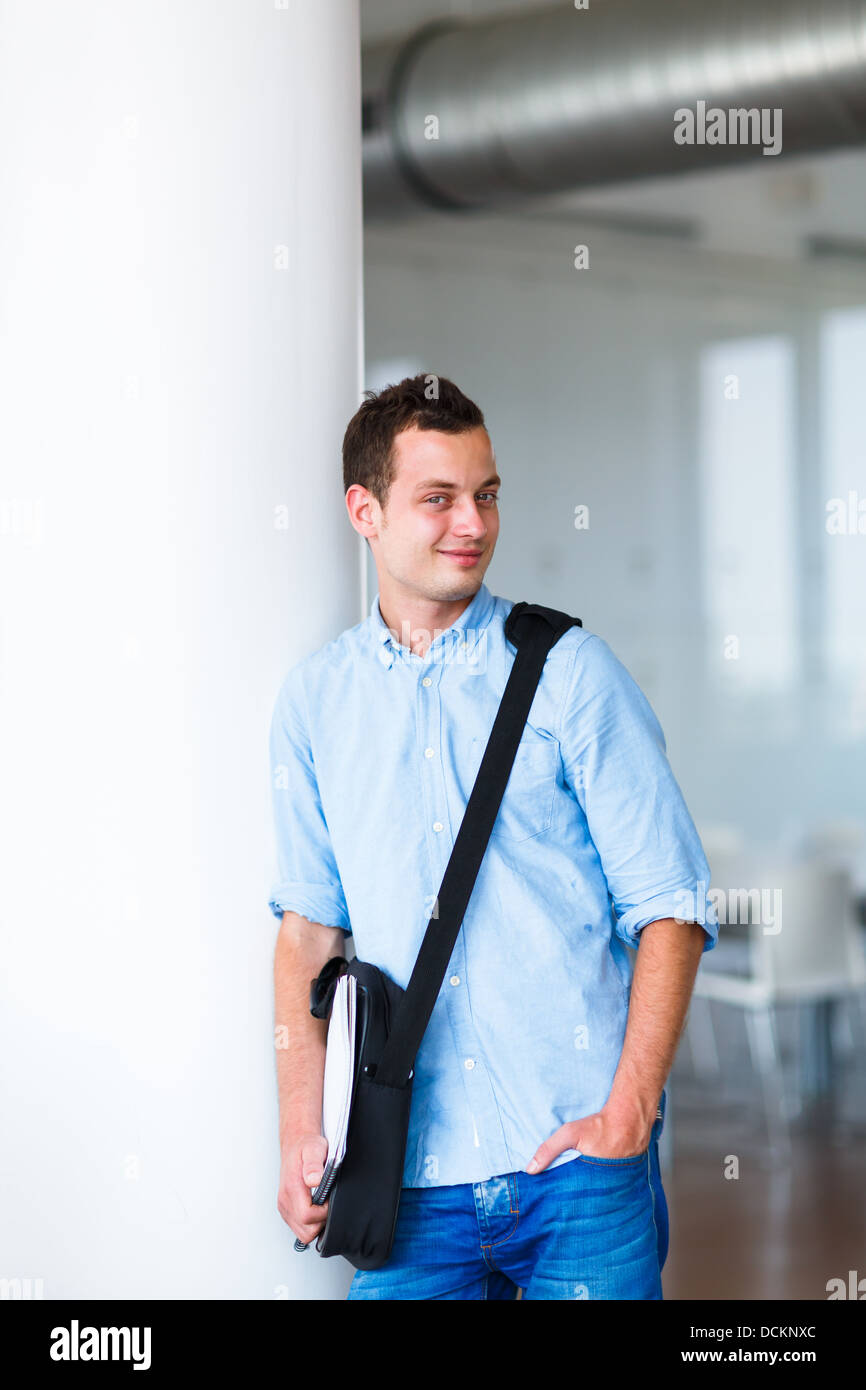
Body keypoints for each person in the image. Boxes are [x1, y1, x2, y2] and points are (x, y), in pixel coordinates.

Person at [269, 373, 718, 1300]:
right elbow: (307, 934)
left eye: (486, 494)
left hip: (577, 1171)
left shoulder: (572, 675)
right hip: (406, 1178)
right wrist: (299, 1132)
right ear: (366, 510)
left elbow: (669, 905)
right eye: (437, 498)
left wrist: (629, 1115)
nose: (471, 522)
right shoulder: (317, 702)